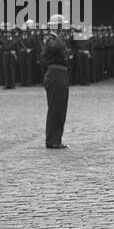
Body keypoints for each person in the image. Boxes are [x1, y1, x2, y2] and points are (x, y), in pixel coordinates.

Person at [42, 15, 73, 149]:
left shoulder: (57, 39)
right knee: (55, 109)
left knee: (60, 109)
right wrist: (60, 35)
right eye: (62, 26)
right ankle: (52, 140)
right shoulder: (50, 39)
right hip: (55, 75)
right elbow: (54, 48)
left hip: (61, 74)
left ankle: (56, 139)